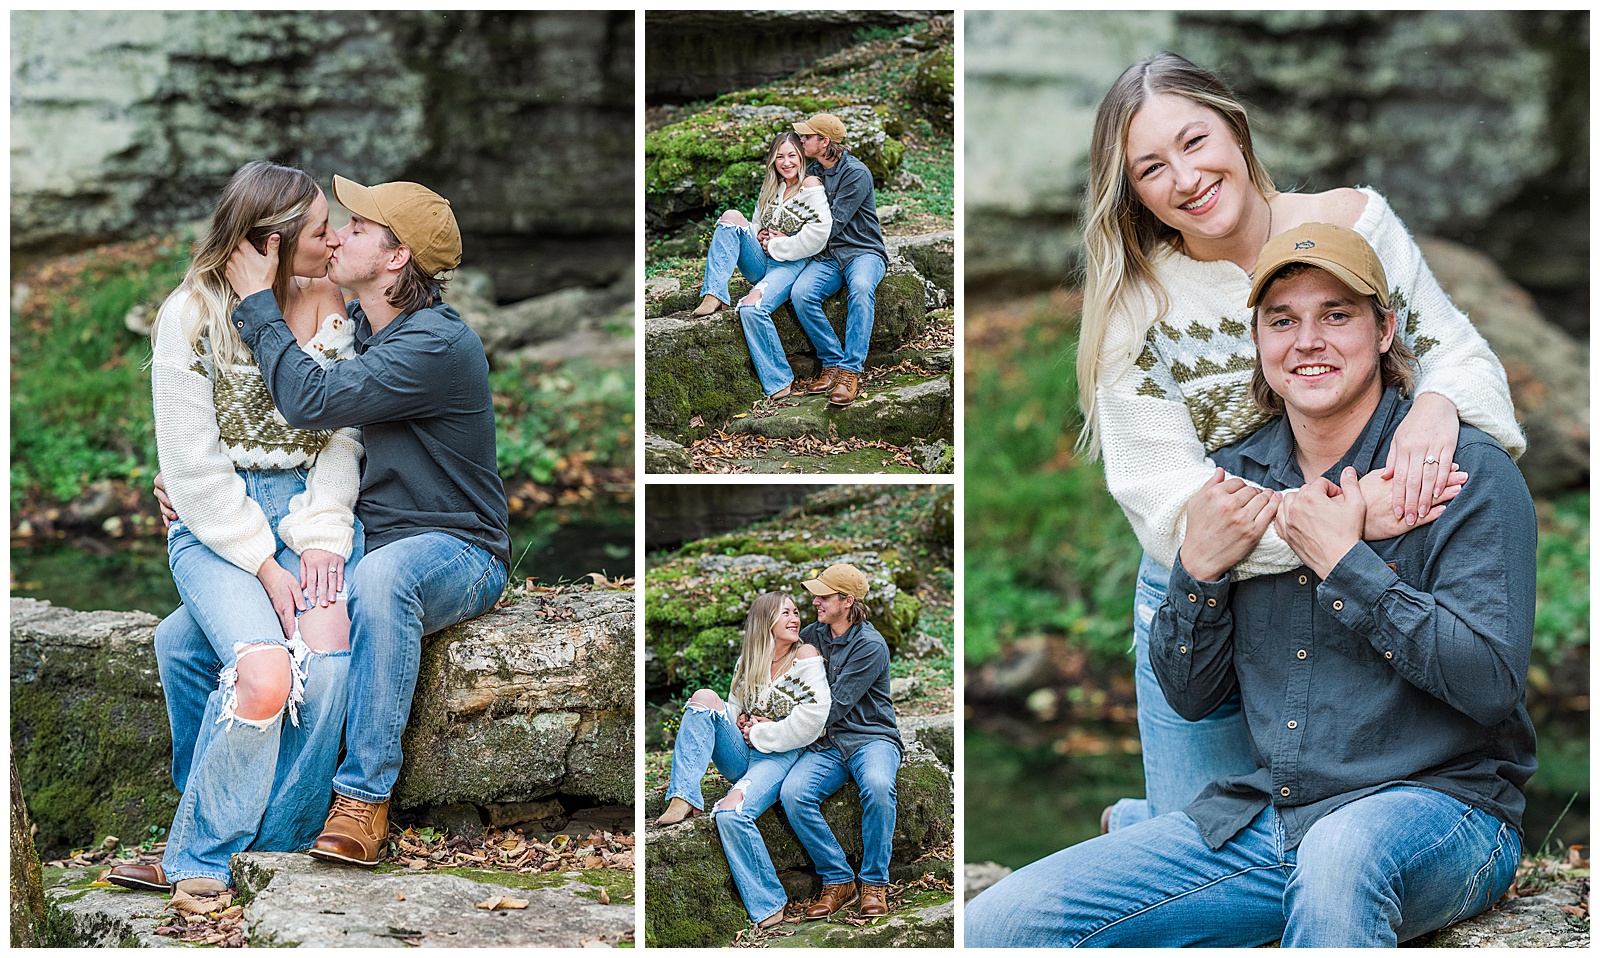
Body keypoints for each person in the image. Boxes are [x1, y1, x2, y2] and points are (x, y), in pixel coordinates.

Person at [965, 222, 1535, 947]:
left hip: (1444, 814)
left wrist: (1346, 564)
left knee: (1340, 856)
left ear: (1385, 329)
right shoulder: (1233, 482)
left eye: (1336, 315)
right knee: (1001, 921)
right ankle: (1146, 828)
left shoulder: (1464, 474)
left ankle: (1145, 820)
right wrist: (1198, 575)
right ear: (1259, 347)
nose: (1308, 341)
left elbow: (1490, 683)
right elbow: (1192, 694)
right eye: (1282, 320)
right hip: (1277, 818)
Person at [1074, 53, 1524, 829]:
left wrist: (1437, 403)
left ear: (1236, 131)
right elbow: (1170, 511)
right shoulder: (1135, 304)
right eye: (1151, 167)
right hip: (1209, 595)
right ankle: (1151, 823)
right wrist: (1334, 520)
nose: (1184, 177)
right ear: (1133, 192)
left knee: (1297, 849)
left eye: (1194, 142)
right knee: (1206, 871)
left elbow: (1461, 353)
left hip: (1354, 573)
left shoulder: (1353, 223)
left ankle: (1145, 822)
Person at [217, 173, 511, 866]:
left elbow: (309, 401)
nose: (338, 236)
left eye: (356, 228)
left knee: (380, 581)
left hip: (458, 551)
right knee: (192, 633)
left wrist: (258, 302)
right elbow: (288, 430)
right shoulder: (365, 330)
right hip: (368, 540)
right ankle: (209, 834)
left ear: (396, 257)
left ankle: (362, 801)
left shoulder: (434, 345)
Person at [107, 160, 362, 905]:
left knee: (330, 663)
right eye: (319, 232)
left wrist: (319, 541)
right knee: (264, 673)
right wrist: (265, 564)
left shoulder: (330, 299)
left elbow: (342, 438)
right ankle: (201, 859)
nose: (333, 241)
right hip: (214, 523)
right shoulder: (188, 313)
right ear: (269, 241)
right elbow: (190, 468)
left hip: (307, 512)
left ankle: (271, 844)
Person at [654, 593, 832, 929]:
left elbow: (814, 719)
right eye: (786, 614)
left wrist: (764, 733)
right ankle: (684, 796)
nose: (795, 619)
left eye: (796, 612)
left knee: (729, 812)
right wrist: (738, 719)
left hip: (778, 758)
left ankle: (769, 903)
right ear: (766, 622)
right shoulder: (750, 659)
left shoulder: (805, 657)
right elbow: (735, 703)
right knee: (704, 699)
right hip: (740, 754)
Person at [779, 563, 904, 920]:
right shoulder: (811, 636)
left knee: (879, 787)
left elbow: (831, 706)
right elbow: (783, 682)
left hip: (871, 739)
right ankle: (838, 879)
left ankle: (874, 884)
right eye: (815, 595)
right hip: (829, 743)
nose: (815, 601)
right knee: (793, 794)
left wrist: (777, 726)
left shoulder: (870, 645)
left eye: (824, 596)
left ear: (847, 601)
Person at [691, 131, 833, 400]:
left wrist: (780, 245)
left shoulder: (811, 185)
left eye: (792, 155)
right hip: (760, 260)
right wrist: (758, 234)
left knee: (750, 308)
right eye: (780, 156)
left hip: (789, 265)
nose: (786, 162)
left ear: (801, 157)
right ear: (773, 160)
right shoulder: (773, 186)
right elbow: (756, 222)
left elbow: (819, 234)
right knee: (732, 217)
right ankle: (715, 293)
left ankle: (779, 379)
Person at [788, 114, 890, 407]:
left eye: (807, 137)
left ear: (825, 141)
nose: (802, 140)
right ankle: (832, 362)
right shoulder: (813, 172)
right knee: (801, 294)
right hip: (829, 255)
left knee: (860, 289)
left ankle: (850, 372)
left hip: (863, 251)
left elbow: (833, 223)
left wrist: (789, 239)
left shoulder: (856, 173)